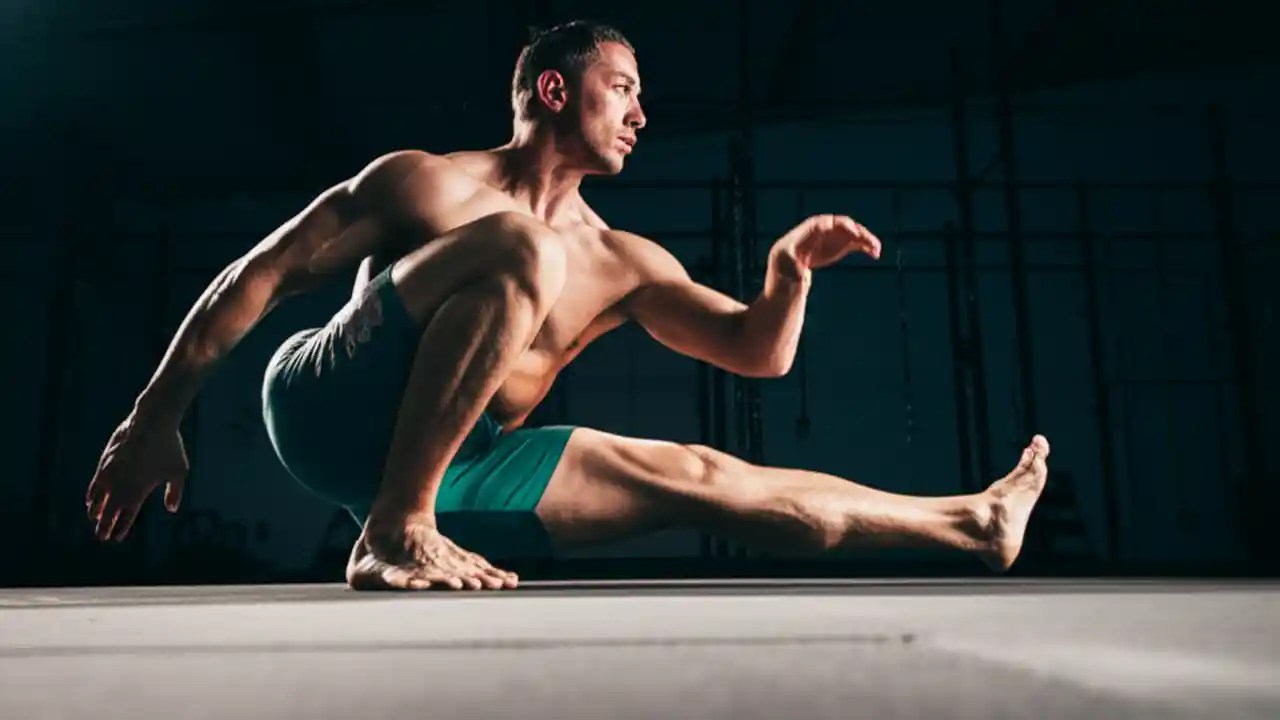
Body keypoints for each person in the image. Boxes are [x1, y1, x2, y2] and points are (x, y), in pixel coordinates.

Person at [85, 21, 1050, 591]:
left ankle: (970, 525)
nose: (640, 112)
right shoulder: (427, 184)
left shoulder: (622, 261)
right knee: (519, 246)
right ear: (554, 88)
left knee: (704, 472)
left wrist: (788, 271)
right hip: (322, 405)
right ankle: (395, 530)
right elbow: (262, 271)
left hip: (462, 472)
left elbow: (760, 354)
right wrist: (155, 412)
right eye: (622, 87)